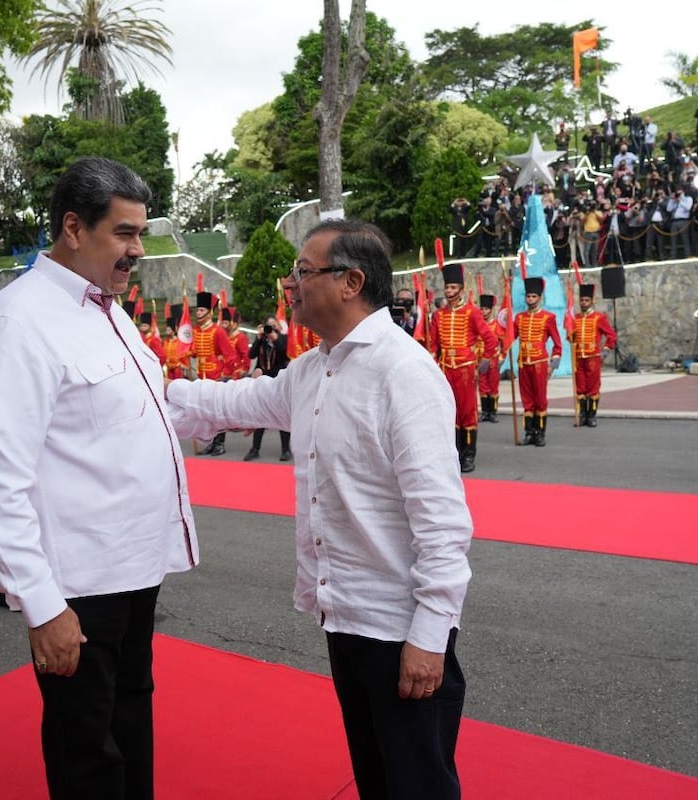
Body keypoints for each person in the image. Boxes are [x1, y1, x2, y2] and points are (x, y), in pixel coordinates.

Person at [167, 219, 472, 800]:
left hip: (399, 629)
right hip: (344, 615)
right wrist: (147, 393)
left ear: (351, 282)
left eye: (303, 272)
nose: (291, 283)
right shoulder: (314, 368)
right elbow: (232, 400)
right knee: (378, 779)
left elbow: (442, 524)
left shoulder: (402, 373)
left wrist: (430, 637)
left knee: (419, 785)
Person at [0, 156, 199, 800]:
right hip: (78, 587)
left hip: (133, 567)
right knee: (87, 749)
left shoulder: (108, 311)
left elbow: (144, 412)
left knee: (130, 722)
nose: (137, 250)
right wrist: (42, 605)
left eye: (140, 233)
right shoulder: (20, 321)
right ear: (73, 227)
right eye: (124, 233)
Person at [428, 262, 496, 472]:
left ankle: (468, 455)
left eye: (453, 287)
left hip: (466, 368)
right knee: (450, 412)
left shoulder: (472, 313)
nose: (449, 291)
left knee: (467, 412)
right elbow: (434, 344)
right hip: (446, 368)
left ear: (461, 289)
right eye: (447, 287)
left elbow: (490, 339)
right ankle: (454, 453)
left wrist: (484, 361)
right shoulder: (439, 315)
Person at [513, 277, 562, 446]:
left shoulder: (549, 317)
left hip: (540, 363)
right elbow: (509, 338)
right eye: (528, 296)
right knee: (527, 400)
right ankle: (529, 432)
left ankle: (540, 433)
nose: (530, 300)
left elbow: (557, 344)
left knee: (540, 399)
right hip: (523, 364)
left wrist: (552, 365)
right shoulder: (519, 318)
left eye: (534, 297)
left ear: (540, 298)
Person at [190, 291, 236, 455]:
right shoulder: (196, 331)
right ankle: (211, 442)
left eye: (202, 310)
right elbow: (196, 351)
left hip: (215, 375)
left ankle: (220, 444)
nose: (198, 313)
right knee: (206, 412)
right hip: (201, 375)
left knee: (217, 411)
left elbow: (231, 356)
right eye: (197, 310)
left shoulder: (218, 331)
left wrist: (225, 374)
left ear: (210, 313)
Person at [567, 284, 617, 427]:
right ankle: (582, 415)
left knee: (593, 387)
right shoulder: (574, 318)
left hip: (593, 357)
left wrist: (605, 351)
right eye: (582, 300)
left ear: (592, 301)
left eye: (586, 300)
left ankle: (592, 415)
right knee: (580, 387)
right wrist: (570, 336)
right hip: (578, 357)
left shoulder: (599, 318)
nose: (584, 303)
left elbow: (611, 336)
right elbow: (571, 337)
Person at [244, 316, 290, 461]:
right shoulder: (262, 340)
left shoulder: (282, 338)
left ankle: (285, 449)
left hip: (278, 380)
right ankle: (255, 449)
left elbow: (284, 353)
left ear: (278, 326)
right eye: (268, 326)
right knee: (260, 414)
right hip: (263, 380)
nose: (270, 328)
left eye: (273, 325)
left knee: (282, 413)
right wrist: (258, 338)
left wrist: (275, 338)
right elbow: (251, 355)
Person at [476, 295, 504, 423]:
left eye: (486, 309)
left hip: (493, 360)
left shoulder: (497, 326)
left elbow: (504, 344)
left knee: (493, 386)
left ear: (491, 309)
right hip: (480, 360)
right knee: (482, 387)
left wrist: (502, 357)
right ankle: (485, 412)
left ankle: (493, 412)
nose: (484, 311)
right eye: (482, 309)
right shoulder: (477, 325)